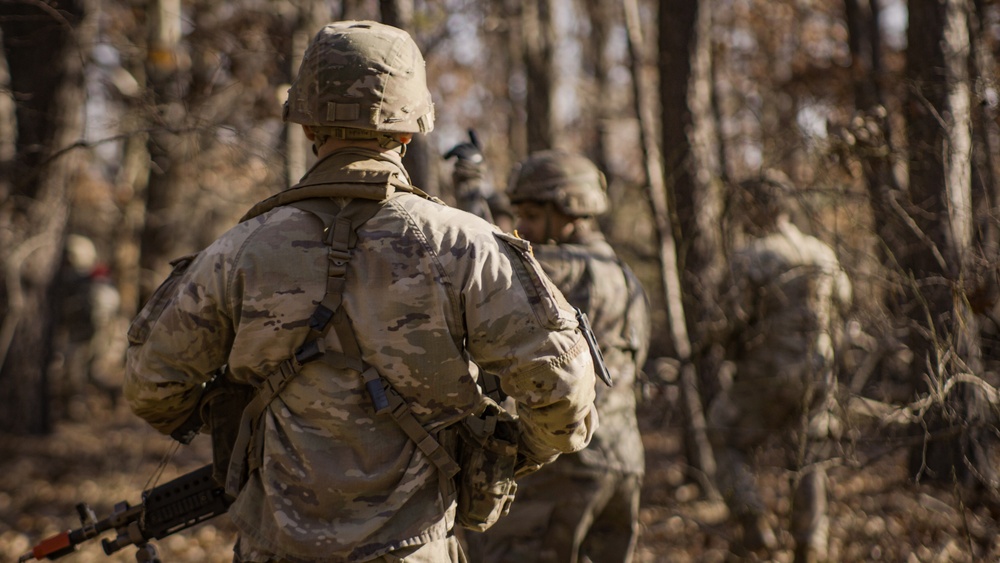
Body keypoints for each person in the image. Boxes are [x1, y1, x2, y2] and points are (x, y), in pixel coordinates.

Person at [124, 21, 598, 563]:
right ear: (409, 130)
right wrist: (502, 456)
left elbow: (150, 386)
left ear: (306, 125)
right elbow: (565, 397)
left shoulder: (238, 251)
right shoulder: (465, 245)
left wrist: (237, 420)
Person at [464, 150, 651, 563]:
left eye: (531, 214)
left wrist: (471, 190)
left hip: (566, 470)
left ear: (571, 209)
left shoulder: (563, 267)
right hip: (624, 463)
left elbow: (488, 254)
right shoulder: (626, 275)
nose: (522, 227)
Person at [707, 171, 852, 563]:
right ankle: (811, 542)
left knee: (724, 434)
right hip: (818, 371)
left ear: (755, 208)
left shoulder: (751, 256)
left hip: (766, 374)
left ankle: (752, 517)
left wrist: (713, 338)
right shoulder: (822, 252)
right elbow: (844, 301)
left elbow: (726, 321)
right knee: (810, 457)